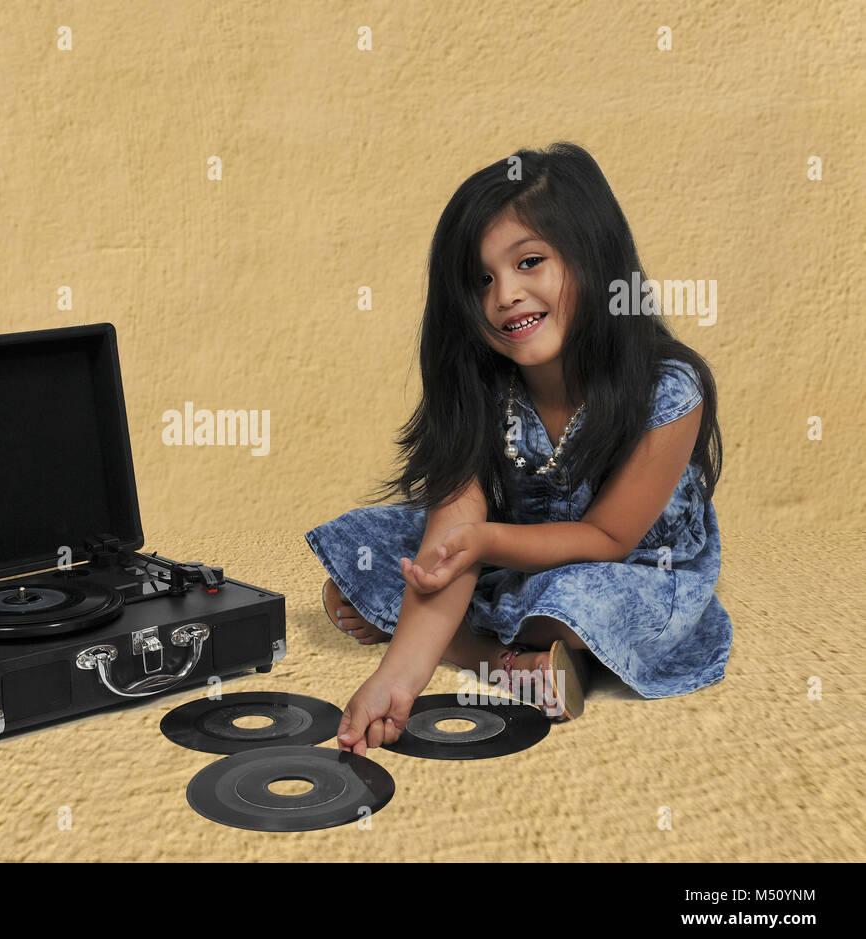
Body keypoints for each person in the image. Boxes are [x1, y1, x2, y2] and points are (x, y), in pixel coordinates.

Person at [304, 142, 731, 755]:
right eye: (481, 280)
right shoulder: (481, 385)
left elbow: (609, 539)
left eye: (529, 262)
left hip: (627, 564)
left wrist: (484, 544)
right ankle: (504, 661)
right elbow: (455, 532)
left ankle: (480, 643)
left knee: (572, 604)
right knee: (367, 549)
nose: (504, 294)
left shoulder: (667, 391)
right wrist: (395, 680)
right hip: (506, 547)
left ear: (597, 260)